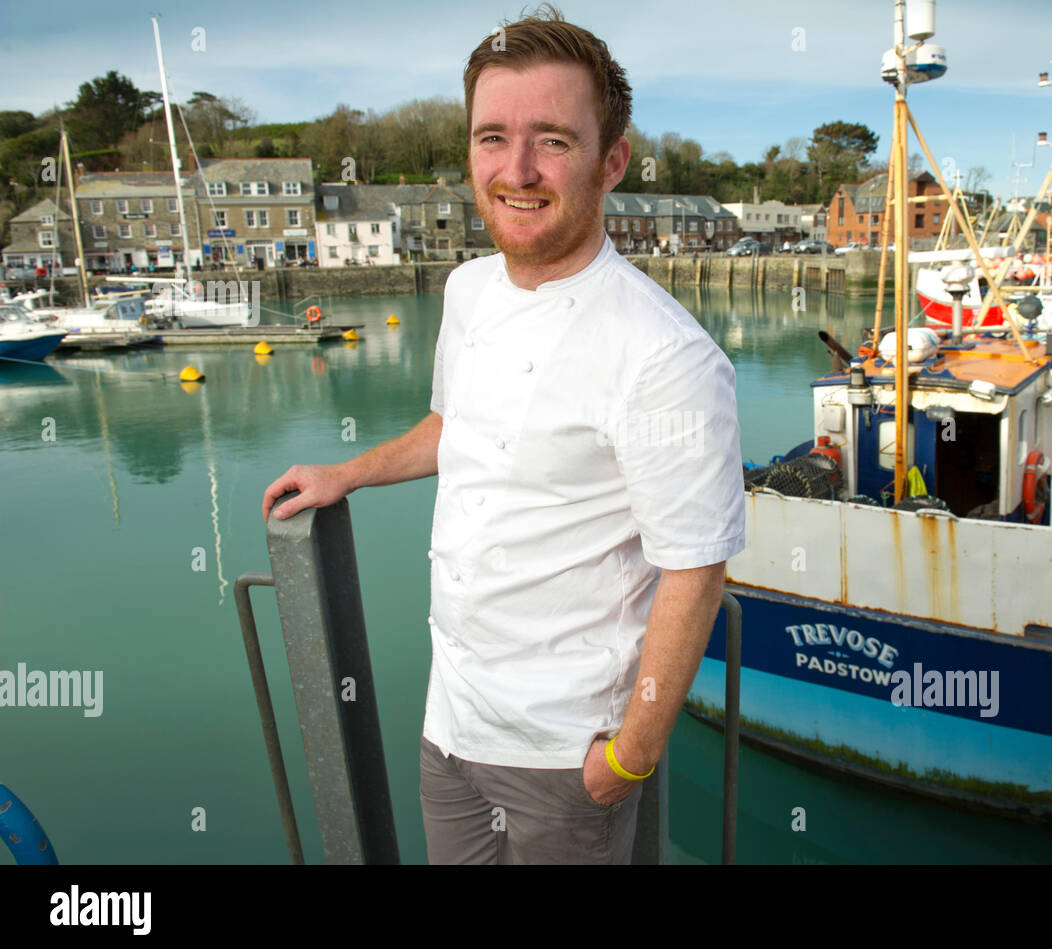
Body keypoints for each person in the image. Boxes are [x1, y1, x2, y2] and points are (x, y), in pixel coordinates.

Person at [260, 4, 745, 865]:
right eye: (493, 137)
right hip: (451, 725)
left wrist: (627, 757)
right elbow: (455, 427)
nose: (516, 169)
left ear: (612, 162)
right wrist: (351, 472)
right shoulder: (469, 289)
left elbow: (696, 571)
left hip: (567, 756)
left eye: (553, 140)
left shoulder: (666, 355)